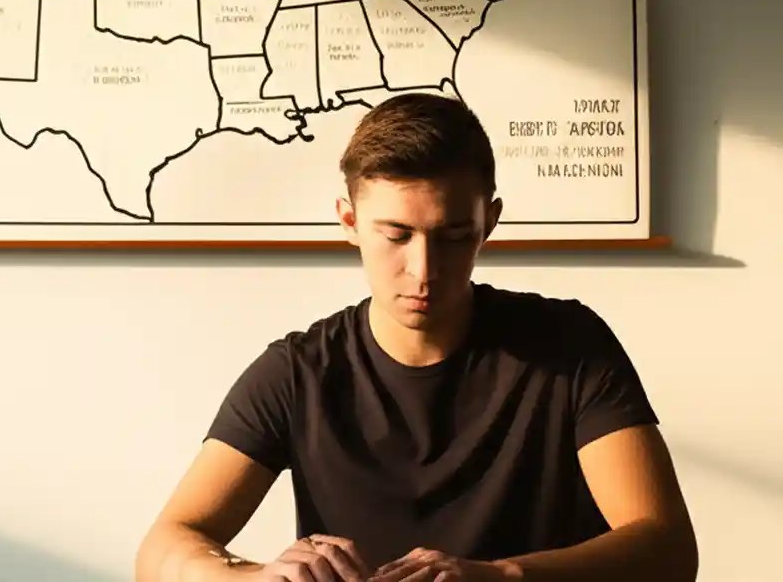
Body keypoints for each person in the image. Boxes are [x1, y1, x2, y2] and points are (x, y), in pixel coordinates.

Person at [134, 92, 697, 582]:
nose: (424, 269)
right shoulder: (297, 372)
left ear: (490, 222)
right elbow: (164, 548)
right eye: (396, 235)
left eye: (454, 237)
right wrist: (257, 576)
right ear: (349, 222)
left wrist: (502, 576)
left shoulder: (571, 346)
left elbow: (667, 548)